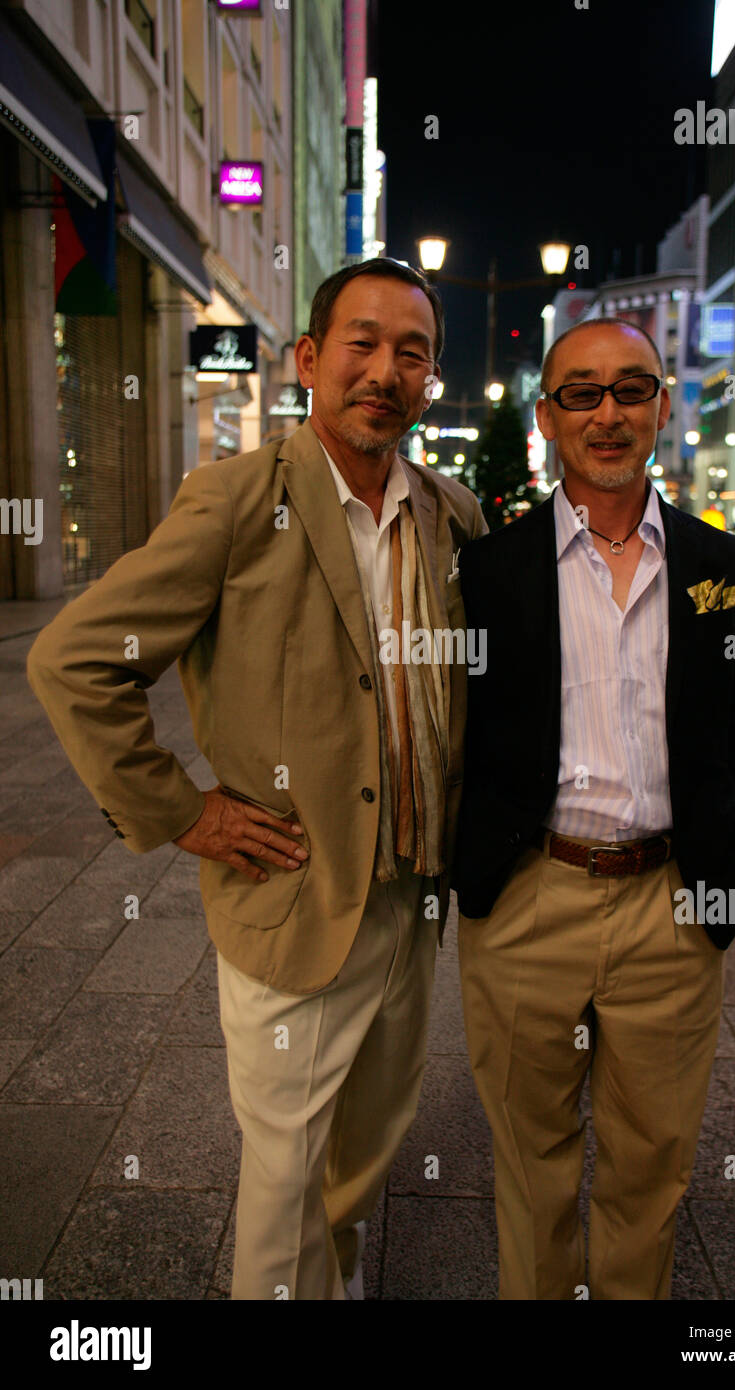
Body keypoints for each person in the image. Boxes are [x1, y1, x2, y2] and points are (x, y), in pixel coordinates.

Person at [27, 257, 486, 1300]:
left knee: (363, 1154)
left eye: (410, 353)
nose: (384, 370)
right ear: (308, 360)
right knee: (282, 1183)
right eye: (360, 344)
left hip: (412, 895)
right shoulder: (239, 499)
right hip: (293, 895)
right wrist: (182, 812)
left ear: (431, 380)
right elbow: (73, 658)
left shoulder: (449, 515)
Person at [454, 318, 735, 1300]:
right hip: (528, 895)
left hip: (669, 904)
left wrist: (729, 849)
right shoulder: (489, 570)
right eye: (580, 393)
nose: (607, 412)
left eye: (629, 390)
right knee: (530, 1168)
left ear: (661, 407)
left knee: (650, 1169)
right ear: (547, 416)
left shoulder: (723, 568)